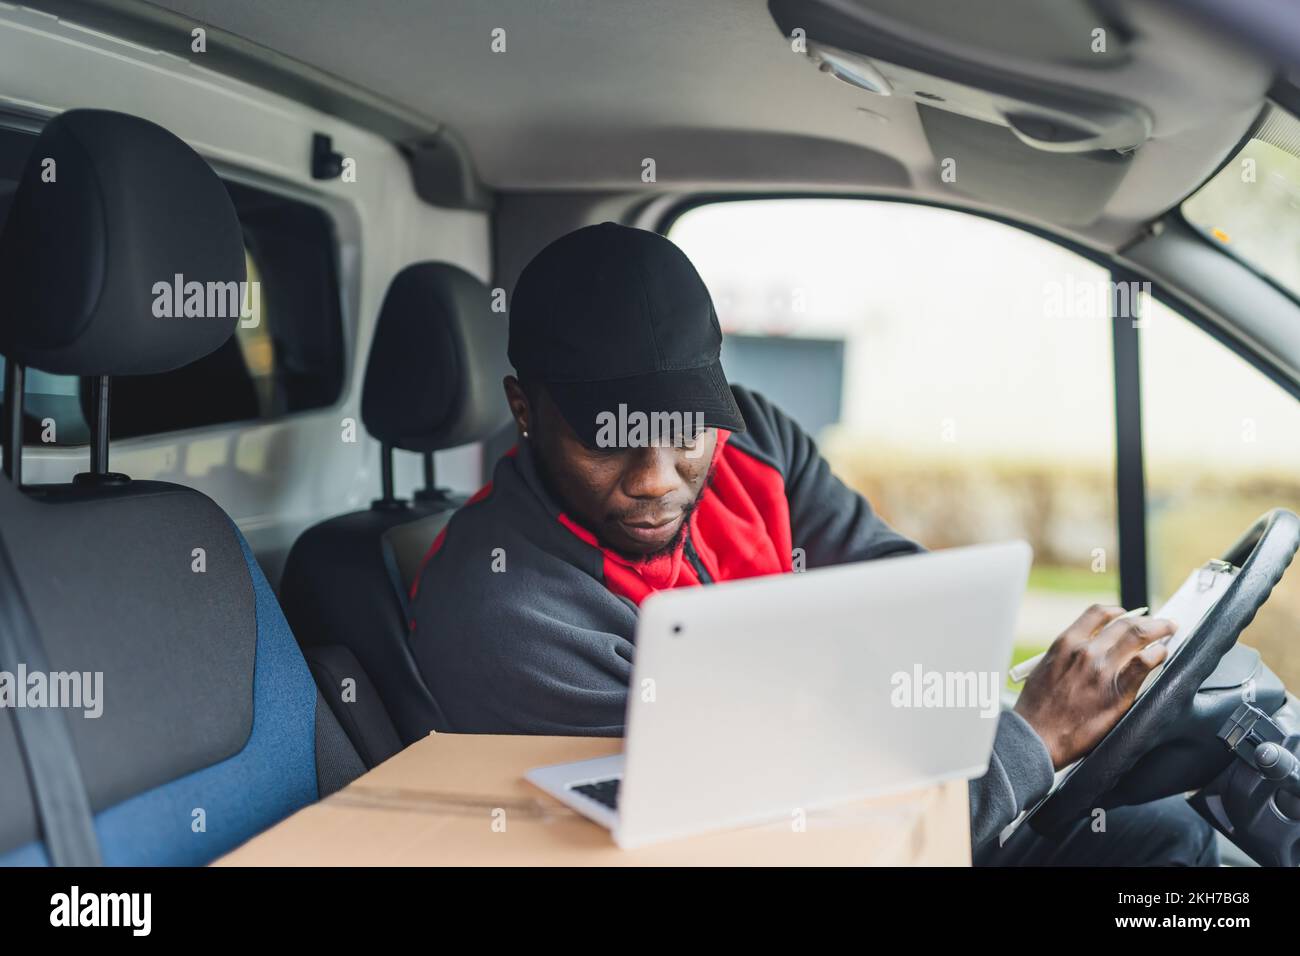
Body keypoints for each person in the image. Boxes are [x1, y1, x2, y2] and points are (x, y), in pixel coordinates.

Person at [408, 222, 1217, 865]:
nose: (657, 478)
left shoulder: (755, 440)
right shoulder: (503, 610)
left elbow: (902, 593)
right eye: (603, 439)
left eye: (686, 428)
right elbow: (771, 841)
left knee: (1160, 837)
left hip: (884, 799)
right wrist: (1032, 737)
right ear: (524, 408)